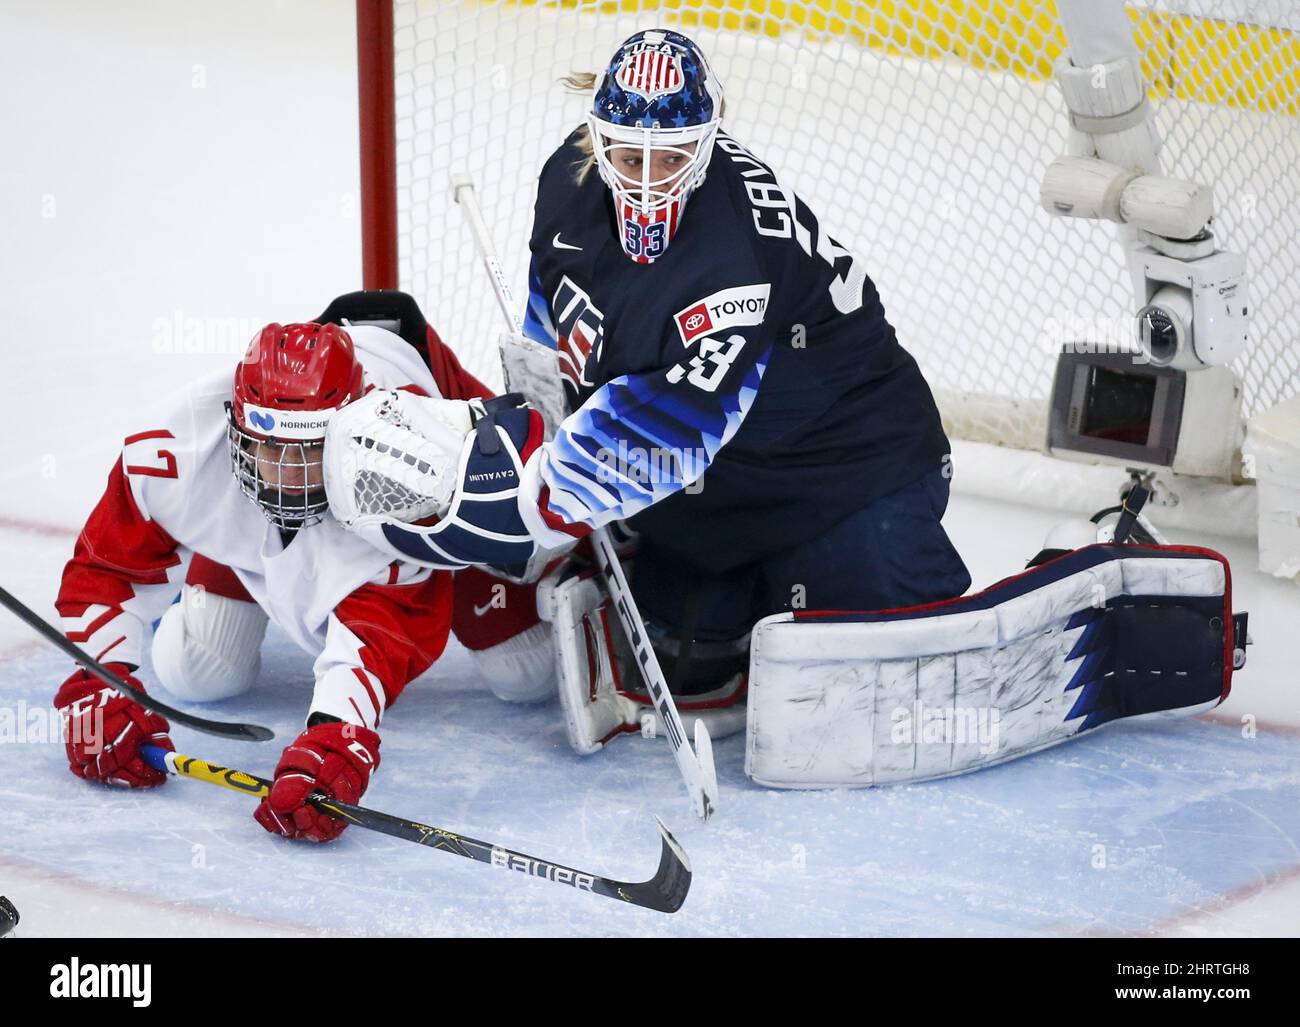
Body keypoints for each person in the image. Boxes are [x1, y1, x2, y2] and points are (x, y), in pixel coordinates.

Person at [350, 29, 969, 720]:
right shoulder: (569, 178)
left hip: (850, 462)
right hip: (730, 482)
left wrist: (538, 502)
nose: (645, 180)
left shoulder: (732, 261)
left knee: (880, 676)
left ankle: (873, 585)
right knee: (685, 659)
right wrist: (543, 409)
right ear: (597, 134)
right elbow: (560, 313)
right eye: (626, 153)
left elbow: (673, 430)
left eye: (672, 156)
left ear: (710, 140)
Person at [53, 294, 549, 841]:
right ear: (236, 427)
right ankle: (239, 574)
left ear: (347, 431)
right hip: (267, 497)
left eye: (309, 450)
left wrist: (335, 739)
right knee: (196, 671)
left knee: (526, 674)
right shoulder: (180, 448)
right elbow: (107, 567)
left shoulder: (404, 471)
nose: (289, 476)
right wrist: (102, 681)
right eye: (271, 450)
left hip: (441, 459)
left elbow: (383, 627)